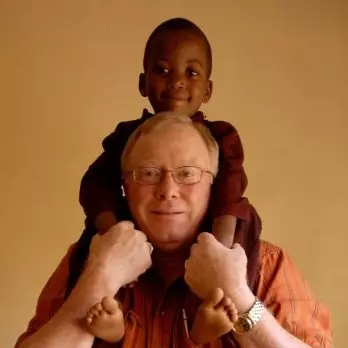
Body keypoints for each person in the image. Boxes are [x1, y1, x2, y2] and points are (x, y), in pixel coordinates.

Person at [15, 114, 332, 348]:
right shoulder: (85, 261)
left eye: (187, 174)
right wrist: (99, 278)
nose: (168, 190)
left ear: (213, 184)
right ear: (125, 186)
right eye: (149, 173)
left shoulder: (265, 264)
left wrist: (237, 293)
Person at [78, 17, 262, 295]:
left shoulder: (221, 137)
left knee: (242, 215)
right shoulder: (127, 136)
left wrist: (218, 252)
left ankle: (221, 301)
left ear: (208, 90)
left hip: (209, 238)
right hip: (136, 235)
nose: (177, 81)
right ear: (143, 83)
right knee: (90, 246)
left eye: (192, 73)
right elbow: (95, 185)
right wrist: (115, 236)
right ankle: (103, 306)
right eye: (163, 70)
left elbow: (230, 190)